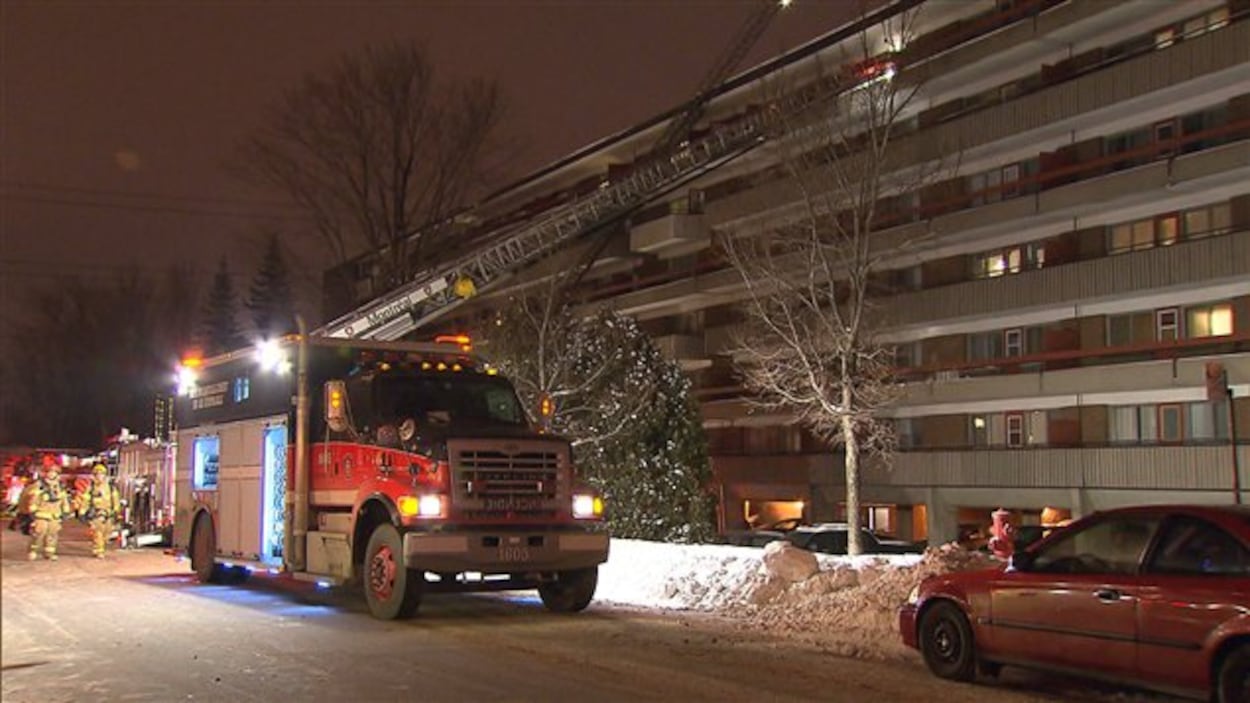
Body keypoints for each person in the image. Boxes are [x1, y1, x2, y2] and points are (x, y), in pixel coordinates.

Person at [27, 454, 70, 561]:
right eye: (50, 472)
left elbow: (64, 499)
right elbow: (34, 499)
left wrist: (66, 510)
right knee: (39, 533)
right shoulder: (40, 485)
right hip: (41, 514)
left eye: (54, 473)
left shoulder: (60, 487)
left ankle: (49, 552)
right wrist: (32, 511)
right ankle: (33, 550)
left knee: (52, 534)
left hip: (55, 515)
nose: (52, 474)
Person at [76, 463, 121, 558]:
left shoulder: (111, 487)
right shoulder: (91, 488)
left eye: (101, 474)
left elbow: (115, 500)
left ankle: (101, 546)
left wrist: (116, 511)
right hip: (96, 513)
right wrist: (82, 511)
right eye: (97, 474)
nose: (100, 476)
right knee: (98, 532)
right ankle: (98, 551)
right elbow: (86, 500)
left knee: (107, 533)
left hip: (108, 513)